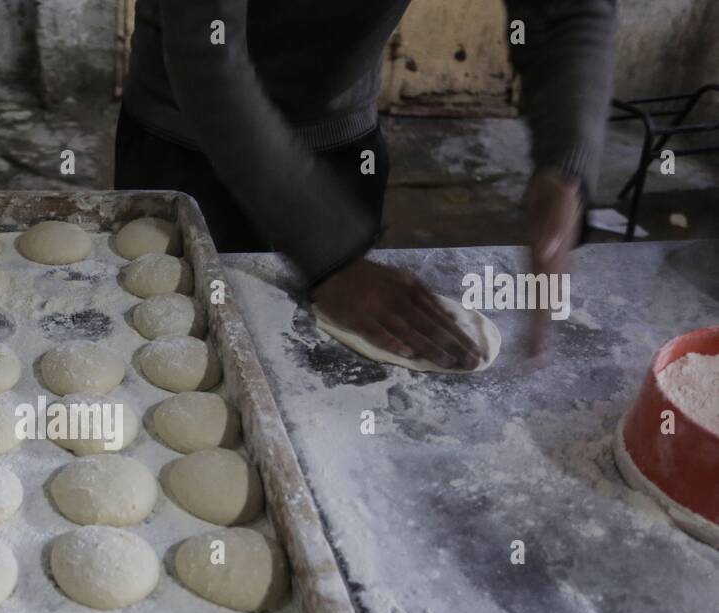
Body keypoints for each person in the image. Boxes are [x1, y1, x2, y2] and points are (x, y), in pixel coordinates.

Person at [116, 1, 617, 367]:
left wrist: (565, 161)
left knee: (316, 372)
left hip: (339, 138)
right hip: (186, 138)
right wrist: (330, 253)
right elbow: (208, 45)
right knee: (177, 350)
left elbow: (567, 11)